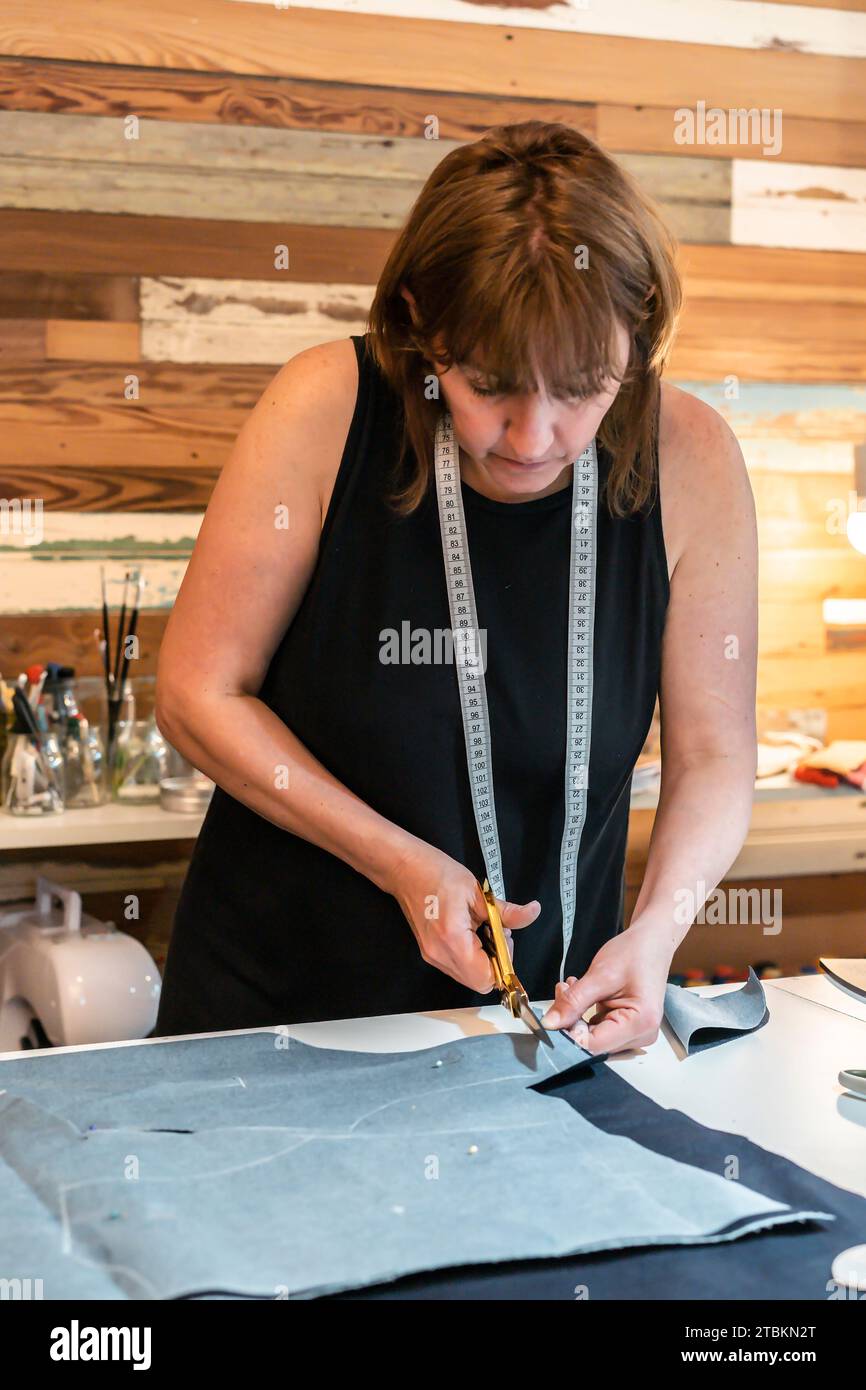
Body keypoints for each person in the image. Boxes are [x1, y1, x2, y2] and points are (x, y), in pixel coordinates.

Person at [154, 121, 758, 1054]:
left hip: (533, 1026)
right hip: (278, 1019)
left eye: (582, 388)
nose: (532, 436)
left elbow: (715, 756)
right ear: (417, 324)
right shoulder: (325, 408)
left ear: (638, 343)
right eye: (489, 386)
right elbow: (198, 693)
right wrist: (395, 860)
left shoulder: (693, 460)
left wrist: (656, 933)